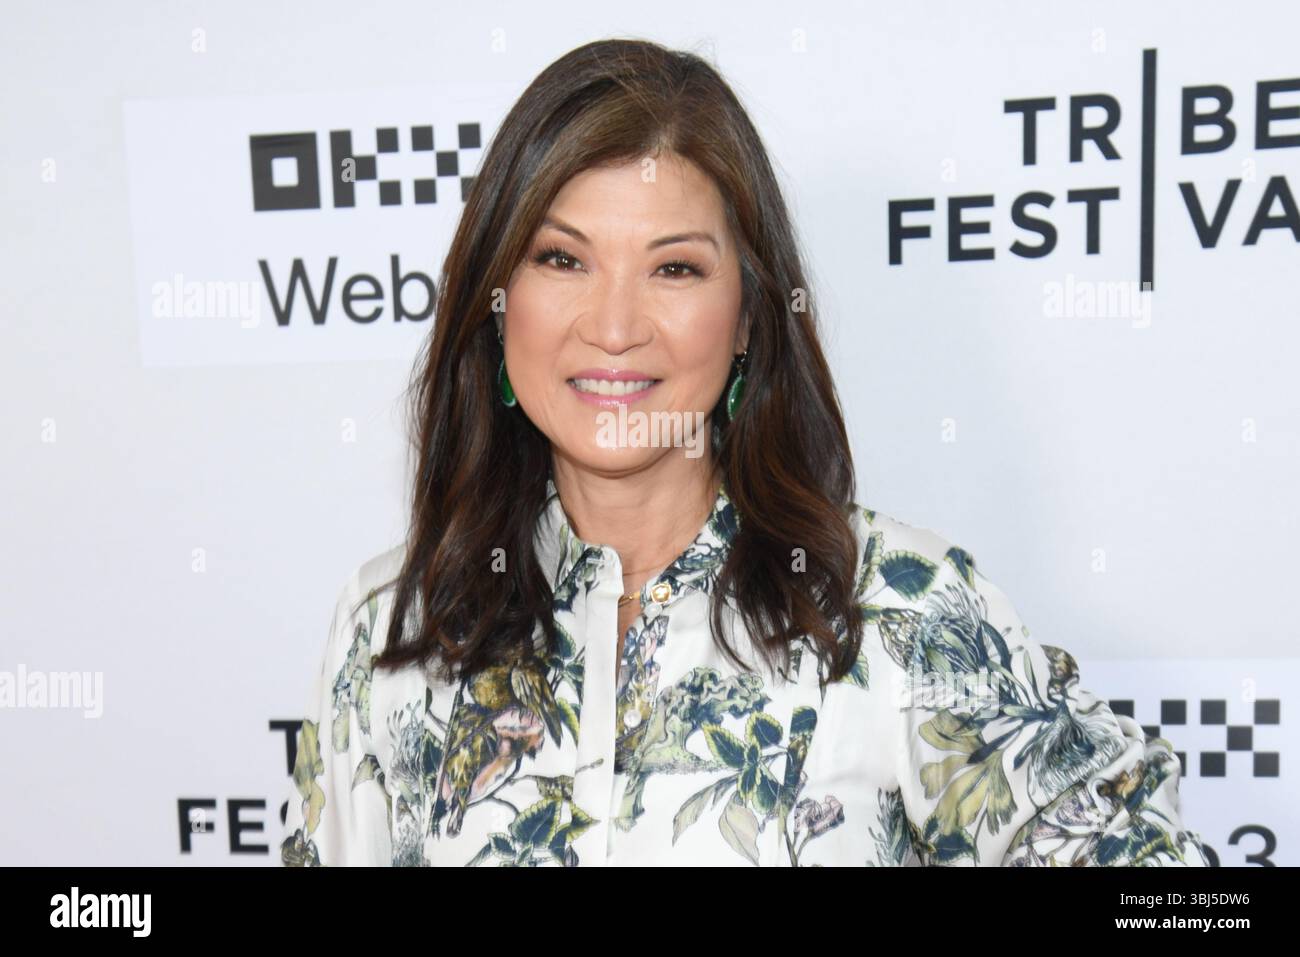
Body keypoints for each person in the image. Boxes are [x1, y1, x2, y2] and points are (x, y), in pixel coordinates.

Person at [280, 38, 1209, 867]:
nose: (612, 327)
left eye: (674, 267)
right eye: (562, 259)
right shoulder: (392, 623)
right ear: (496, 300)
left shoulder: (895, 610)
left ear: (747, 322)